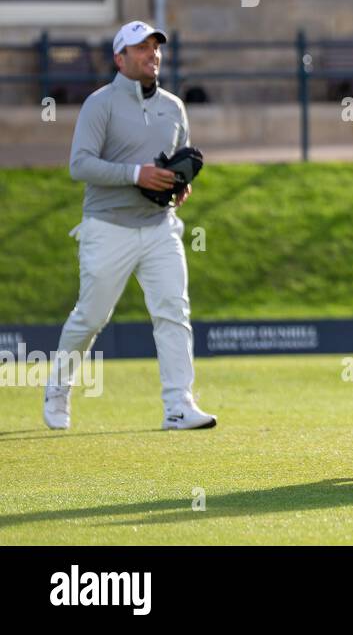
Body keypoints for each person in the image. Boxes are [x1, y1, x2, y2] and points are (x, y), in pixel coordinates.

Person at [45, 21, 216, 431]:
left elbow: (177, 165)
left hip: (160, 226)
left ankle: (178, 405)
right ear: (119, 58)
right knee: (90, 317)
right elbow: (79, 165)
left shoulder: (174, 106)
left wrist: (178, 189)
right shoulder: (99, 103)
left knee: (173, 312)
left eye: (155, 47)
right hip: (107, 226)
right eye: (141, 48)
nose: (151, 54)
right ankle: (58, 388)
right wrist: (135, 175)